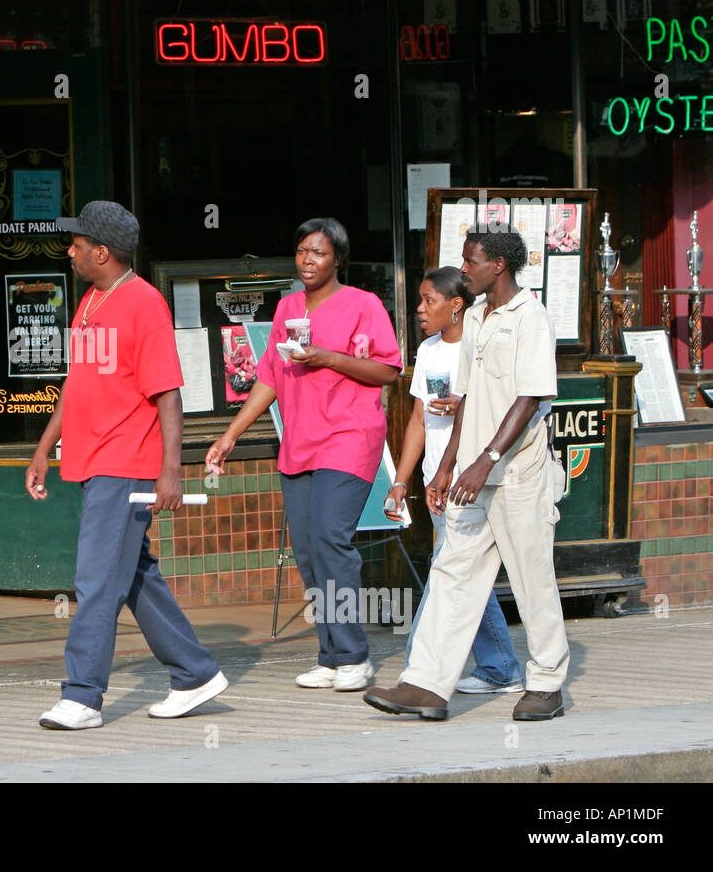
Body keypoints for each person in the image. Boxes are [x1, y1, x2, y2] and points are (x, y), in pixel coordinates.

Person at [27, 200, 227, 730]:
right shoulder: (91, 300)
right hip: (94, 460)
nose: (68, 250)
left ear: (102, 251)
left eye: (76, 243)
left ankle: (83, 695)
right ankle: (195, 672)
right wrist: (46, 447)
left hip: (127, 463)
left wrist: (170, 470)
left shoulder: (145, 305)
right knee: (133, 575)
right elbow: (77, 382)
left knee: (96, 579)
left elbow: (169, 395)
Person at [364, 228, 568, 722]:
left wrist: (485, 460)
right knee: (452, 571)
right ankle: (428, 684)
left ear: (498, 265)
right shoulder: (476, 316)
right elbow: (469, 398)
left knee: (531, 579)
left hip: (516, 473)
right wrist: (450, 464)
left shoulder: (531, 317)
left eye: (472, 261)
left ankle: (547, 685)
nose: (466, 267)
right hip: (472, 475)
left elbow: (530, 397)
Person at [206, 218, 401, 691]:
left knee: (332, 540)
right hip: (300, 442)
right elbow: (269, 378)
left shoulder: (364, 304)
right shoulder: (288, 307)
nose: (308, 260)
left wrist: (327, 357)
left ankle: (355, 654)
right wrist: (230, 435)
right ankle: (331, 655)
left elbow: (388, 371)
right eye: (302, 252)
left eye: (318, 252)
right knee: (310, 550)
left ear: (338, 258)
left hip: (350, 436)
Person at [387, 267, 523, 694]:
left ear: (456, 305)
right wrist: (401, 481)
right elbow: (417, 421)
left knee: (448, 572)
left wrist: (464, 406)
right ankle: (501, 666)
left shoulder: (479, 348)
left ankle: (417, 673)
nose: (420, 309)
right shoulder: (428, 351)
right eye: (421, 300)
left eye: (429, 300)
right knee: (462, 573)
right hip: (435, 482)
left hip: (469, 480)